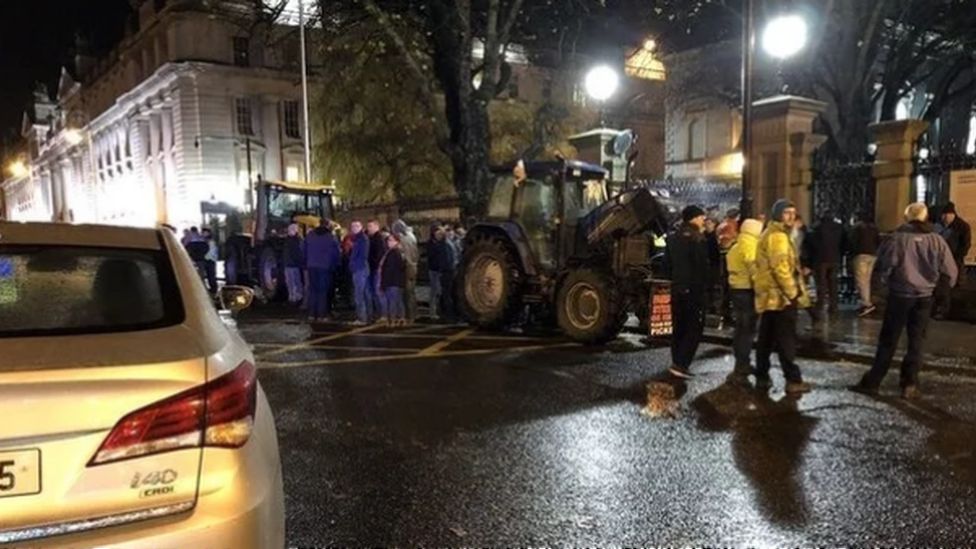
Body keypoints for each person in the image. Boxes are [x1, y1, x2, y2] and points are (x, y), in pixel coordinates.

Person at [854, 203, 958, 399]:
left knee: (888, 340)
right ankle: (910, 383)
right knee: (916, 341)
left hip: (900, 296)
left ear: (907, 217)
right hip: (924, 297)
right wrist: (937, 289)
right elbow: (950, 271)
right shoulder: (937, 240)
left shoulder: (897, 238)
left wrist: (885, 285)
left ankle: (874, 381)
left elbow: (885, 265)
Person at [753, 199, 812, 394]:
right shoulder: (778, 236)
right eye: (787, 212)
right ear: (778, 214)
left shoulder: (773, 233)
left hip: (771, 297)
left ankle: (762, 376)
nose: (791, 216)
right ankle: (793, 379)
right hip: (780, 297)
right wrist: (792, 292)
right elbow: (781, 268)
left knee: (766, 338)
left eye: (793, 213)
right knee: (786, 340)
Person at [663, 205, 710, 379]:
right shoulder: (697, 239)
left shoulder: (672, 238)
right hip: (694, 290)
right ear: (694, 218)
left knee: (679, 327)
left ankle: (677, 361)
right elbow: (703, 266)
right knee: (694, 328)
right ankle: (682, 364)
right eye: (701, 217)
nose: (704, 220)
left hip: (677, 289)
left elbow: (666, 266)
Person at [725, 218, 763, 384]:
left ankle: (741, 362)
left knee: (741, 328)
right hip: (747, 290)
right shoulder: (750, 245)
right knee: (747, 330)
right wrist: (760, 289)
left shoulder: (736, 246)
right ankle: (742, 365)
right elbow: (754, 268)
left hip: (737, 290)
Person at [934, 202, 972, 319]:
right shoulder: (937, 226)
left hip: (955, 260)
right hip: (938, 261)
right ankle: (940, 309)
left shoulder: (962, 226)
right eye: (943, 215)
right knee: (941, 285)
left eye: (947, 215)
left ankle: (950, 310)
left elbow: (965, 245)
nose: (944, 217)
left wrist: (957, 256)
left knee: (953, 285)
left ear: (953, 214)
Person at [808, 212, 845, 314]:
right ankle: (834, 306)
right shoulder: (839, 227)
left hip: (820, 259)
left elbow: (810, 244)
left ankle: (820, 305)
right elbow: (844, 242)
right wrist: (840, 253)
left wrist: (810, 260)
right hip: (835, 258)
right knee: (833, 283)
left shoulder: (816, 228)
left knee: (821, 283)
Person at [304, 220, 341, 322]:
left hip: (311, 266)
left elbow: (304, 250)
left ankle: (312, 314)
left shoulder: (310, 235)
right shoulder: (330, 237)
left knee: (313, 290)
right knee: (322, 291)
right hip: (325, 267)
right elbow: (336, 253)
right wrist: (335, 266)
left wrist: (306, 263)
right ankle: (322, 315)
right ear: (328, 225)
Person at [849, 211, 881, 316]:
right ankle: (866, 301)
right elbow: (879, 241)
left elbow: (852, 241)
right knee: (867, 280)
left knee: (861, 281)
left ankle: (866, 304)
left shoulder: (857, 228)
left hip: (861, 255)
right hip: (872, 255)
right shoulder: (874, 228)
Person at [392, 219, 419, 323]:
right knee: (411, 292)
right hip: (414, 265)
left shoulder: (403, 239)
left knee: (406, 293)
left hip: (407, 267)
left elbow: (403, 255)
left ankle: (409, 316)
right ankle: (414, 314)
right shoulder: (412, 236)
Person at [428, 225, 457, 322]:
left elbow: (445, 260)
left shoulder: (444, 245)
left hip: (445, 272)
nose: (437, 237)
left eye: (439, 235)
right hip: (450, 271)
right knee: (447, 294)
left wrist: (442, 270)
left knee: (445, 294)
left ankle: (448, 316)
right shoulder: (449, 243)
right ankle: (449, 315)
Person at [378, 233, 407, 326]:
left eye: (391, 240)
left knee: (392, 301)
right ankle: (401, 318)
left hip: (392, 281)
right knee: (398, 300)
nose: (388, 242)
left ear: (396, 242)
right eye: (388, 240)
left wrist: (383, 283)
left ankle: (392, 320)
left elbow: (388, 270)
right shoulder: (400, 252)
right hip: (398, 281)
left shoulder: (392, 253)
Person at [348, 220, 371, 325]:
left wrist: (353, 266)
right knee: (365, 294)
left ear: (361, 227)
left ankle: (362, 318)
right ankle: (368, 316)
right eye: (353, 226)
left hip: (359, 269)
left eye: (357, 226)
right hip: (362, 269)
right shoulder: (360, 239)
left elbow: (361, 256)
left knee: (359, 295)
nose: (354, 228)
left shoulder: (361, 239)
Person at [366, 220, 385, 320]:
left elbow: (379, 255)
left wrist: (374, 264)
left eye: (370, 226)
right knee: (374, 292)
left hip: (376, 268)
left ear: (377, 227)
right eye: (368, 226)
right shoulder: (371, 238)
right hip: (372, 268)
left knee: (378, 292)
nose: (368, 228)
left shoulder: (378, 239)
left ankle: (383, 314)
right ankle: (379, 313)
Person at [283, 224, 305, 305]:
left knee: (290, 283)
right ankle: (297, 297)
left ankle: (292, 297)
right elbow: (297, 254)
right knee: (296, 282)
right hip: (294, 265)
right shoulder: (296, 241)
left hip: (288, 264)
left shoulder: (287, 241)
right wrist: (301, 262)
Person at [201, 228, 219, 294]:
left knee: (211, 275)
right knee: (210, 275)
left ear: (208, 233)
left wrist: (205, 257)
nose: (203, 234)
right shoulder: (206, 241)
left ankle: (214, 289)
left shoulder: (211, 242)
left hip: (210, 260)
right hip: (209, 260)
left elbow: (212, 251)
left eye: (205, 233)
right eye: (203, 233)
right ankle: (213, 288)